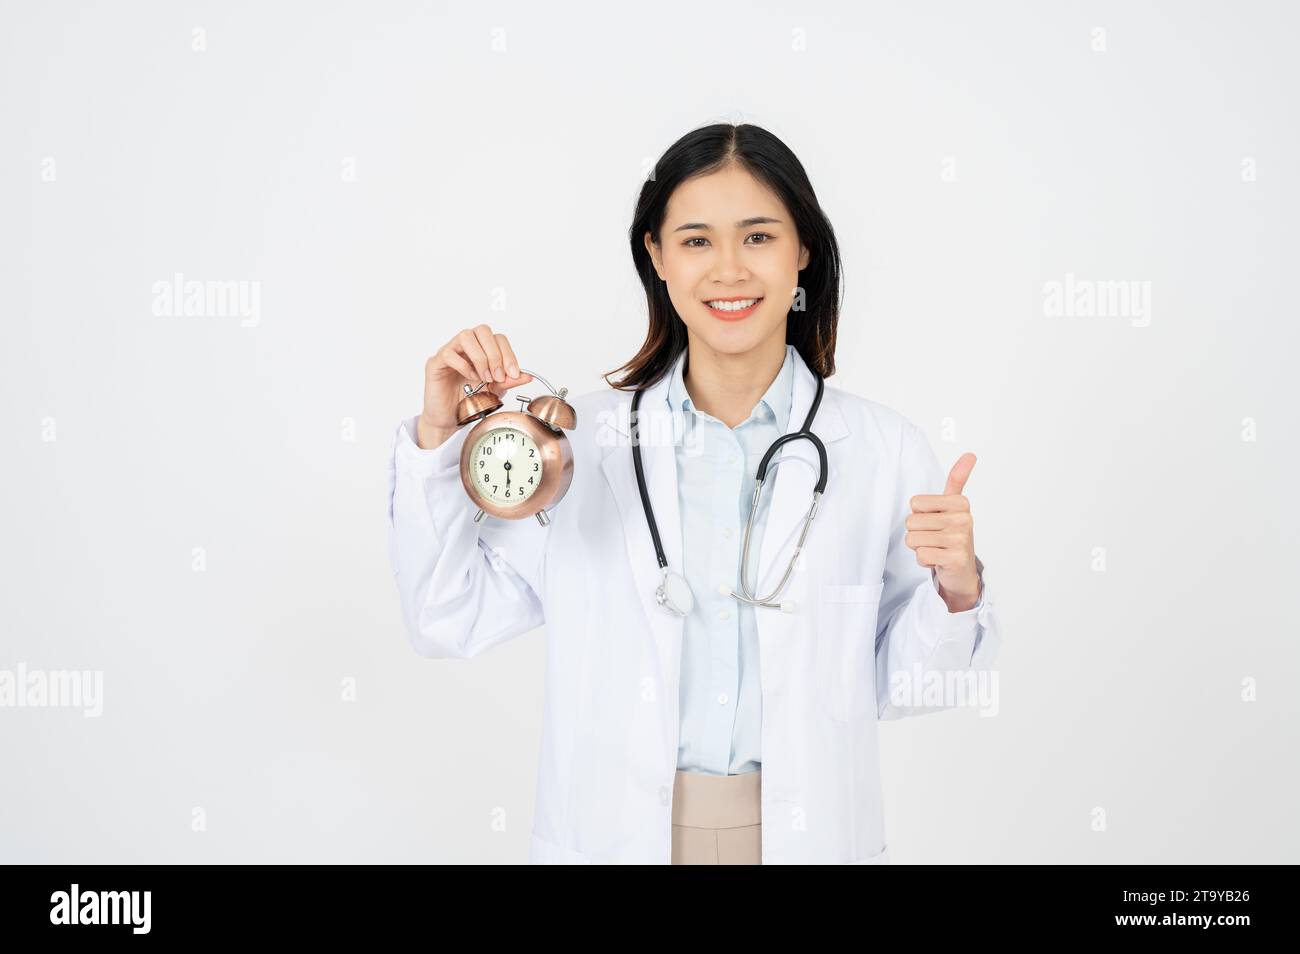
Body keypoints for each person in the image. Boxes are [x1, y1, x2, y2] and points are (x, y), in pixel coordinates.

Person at [387, 122, 1000, 864]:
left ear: (802, 249)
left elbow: (909, 688)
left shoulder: (882, 451)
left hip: (803, 838)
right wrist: (435, 435)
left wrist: (957, 592)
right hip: (616, 836)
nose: (729, 271)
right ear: (658, 255)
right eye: (698, 240)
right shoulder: (580, 446)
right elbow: (443, 618)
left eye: (759, 237)